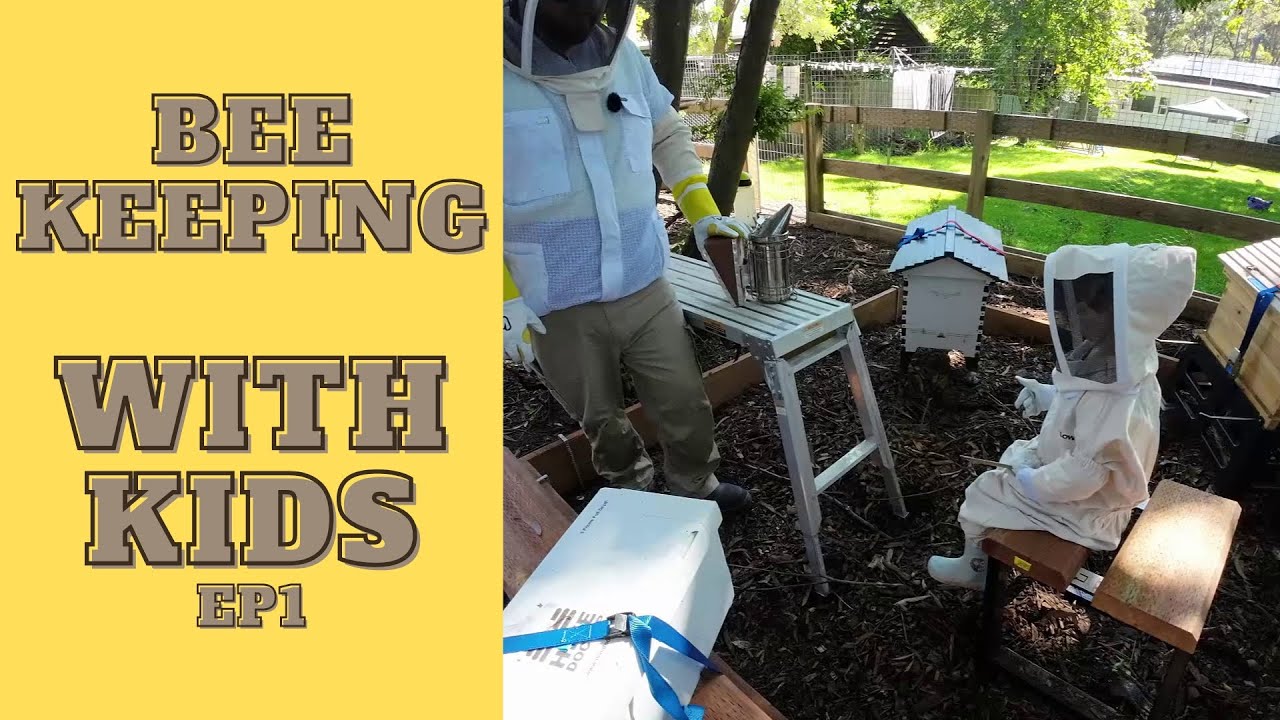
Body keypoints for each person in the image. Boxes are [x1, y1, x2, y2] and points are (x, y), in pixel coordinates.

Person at [501, 0, 753, 514]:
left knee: (684, 400)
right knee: (601, 420)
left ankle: (696, 488)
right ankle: (632, 496)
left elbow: (666, 131)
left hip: (644, 279)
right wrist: (500, 297)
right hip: (555, 298)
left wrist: (702, 212)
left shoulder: (626, 59)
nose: (589, 9)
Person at [927, 243, 1196, 590]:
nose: (1075, 314)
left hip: (1083, 509)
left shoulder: (1116, 400)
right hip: (1081, 482)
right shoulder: (1125, 363)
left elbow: (1084, 475)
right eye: (1076, 302)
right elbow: (1086, 402)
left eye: (1091, 307)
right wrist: (1049, 395)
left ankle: (974, 568)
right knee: (1015, 460)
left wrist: (1033, 483)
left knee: (984, 490)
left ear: (1126, 317)